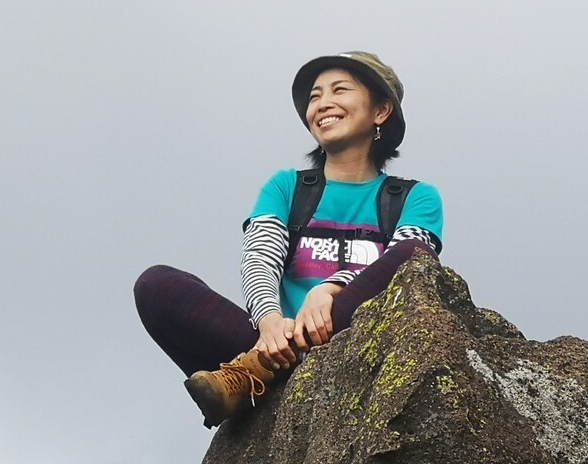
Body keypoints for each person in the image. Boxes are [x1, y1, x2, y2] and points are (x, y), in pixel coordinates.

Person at [134, 50, 444, 427]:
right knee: (155, 285)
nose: (322, 104)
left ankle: (251, 376)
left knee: (414, 254)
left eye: (339, 90)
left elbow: (411, 270)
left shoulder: (415, 197)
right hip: (273, 341)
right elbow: (260, 258)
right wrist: (268, 321)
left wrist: (332, 287)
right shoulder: (287, 187)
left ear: (380, 111)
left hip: (358, 341)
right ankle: (271, 364)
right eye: (315, 97)